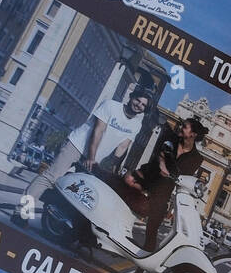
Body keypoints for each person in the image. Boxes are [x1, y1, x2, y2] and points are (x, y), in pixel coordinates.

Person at [12, 81, 153, 225]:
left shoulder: (136, 124)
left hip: (95, 157)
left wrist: (113, 169)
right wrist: (91, 158)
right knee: (50, 177)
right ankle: (20, 212)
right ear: (131, 97)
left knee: (80, 190)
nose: (139, 105)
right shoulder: (111, 106)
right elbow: (97, 131)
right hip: (77, 145)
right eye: (138, 100)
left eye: (143, 105)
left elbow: (122, 147)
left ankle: (57, 217)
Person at [121, 117, 208, 250]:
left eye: (184, 126)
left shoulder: (197, 158)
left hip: (162, 191)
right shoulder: (170, 137)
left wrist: (166, 166)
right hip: (146, 176)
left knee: (153, 227)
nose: (179, 127)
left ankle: (142, 265)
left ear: (193, 134)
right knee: (123, 185)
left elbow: (179, 175)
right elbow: (160, 160)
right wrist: (165, 166)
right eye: (180, 124)